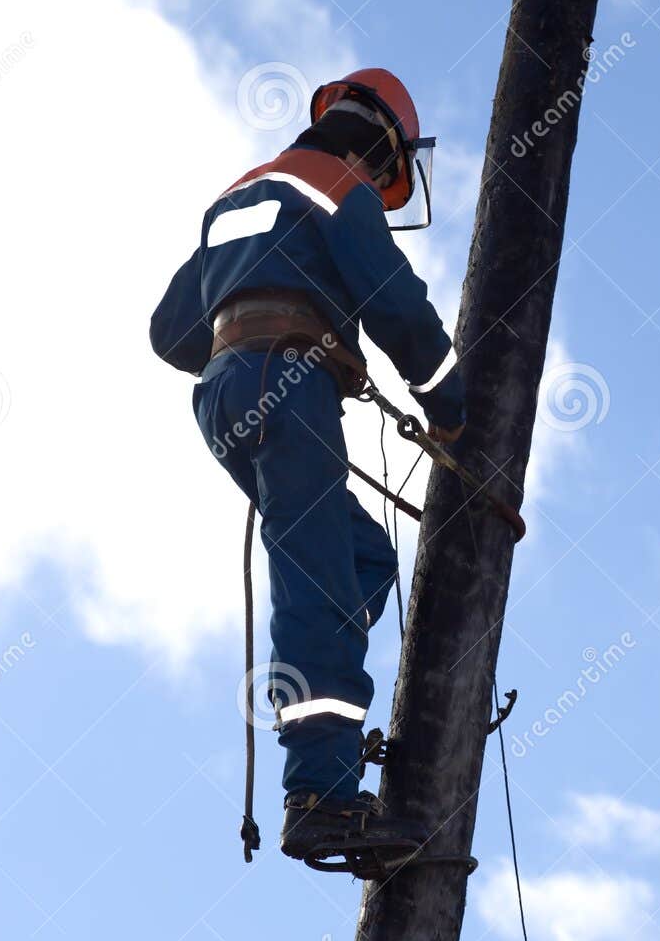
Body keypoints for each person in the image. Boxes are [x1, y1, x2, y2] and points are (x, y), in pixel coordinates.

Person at [150, 68, 465, 870]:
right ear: (385, 143)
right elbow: (395, 302)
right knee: (317, 577)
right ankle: (320, 797)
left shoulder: (238, 197)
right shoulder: (337, 184)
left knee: (358, 560)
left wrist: (251, 330)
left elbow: (168, 332)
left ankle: (327, 734)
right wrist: (448, 408)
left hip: (227, 397)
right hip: (284, 392)